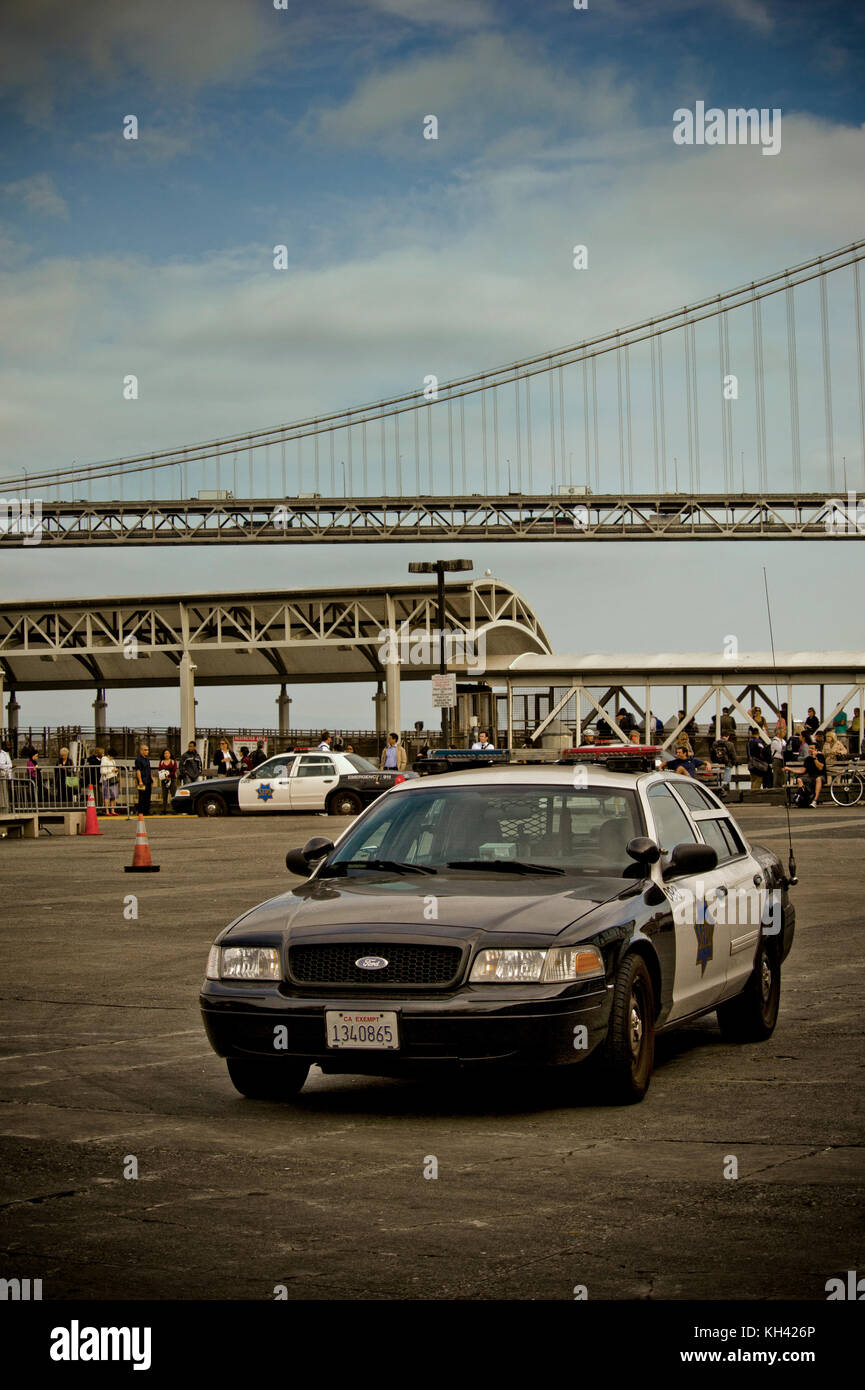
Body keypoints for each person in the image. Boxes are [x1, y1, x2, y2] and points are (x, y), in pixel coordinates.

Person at [798, 741, 826, 808]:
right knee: (799, 779)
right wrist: (789, 769)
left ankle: (814, 801)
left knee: (818, 779)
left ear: (816, 750)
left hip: (821, 777)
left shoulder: (820, 756)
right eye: (809, 748)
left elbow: (820, 768)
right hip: (811, 777)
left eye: (812, 748)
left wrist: (814, 757)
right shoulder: (808, 759)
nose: (810, 750)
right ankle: (804, 798)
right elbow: (802, 771)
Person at [157, 748, 178, 814]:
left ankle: (174, 809)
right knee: (164, 795)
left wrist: (169, 776)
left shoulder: (173, 762)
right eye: (165, 753)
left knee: (173, 795)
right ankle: (164, 810)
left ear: (170, 754)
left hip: (172, 780)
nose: (166, 754)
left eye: (168, 753)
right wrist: (164, 777)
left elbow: (174, 770)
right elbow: (159, 770)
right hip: (164, 780)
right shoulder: (161, 762)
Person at [134, 743, 153, 816]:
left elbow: (149, 769)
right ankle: (141, 811)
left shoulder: (147, 759)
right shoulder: (138, 760)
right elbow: (138, 770)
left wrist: (151, 778)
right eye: (145, 750)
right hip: (142, 780)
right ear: (141, 751)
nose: (147, 751)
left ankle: (146, 810)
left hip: (148, 779)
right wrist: (140, 781)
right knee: (142, 796)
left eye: (147, 750)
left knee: (148, 796)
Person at [101, 748, 119, 815]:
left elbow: (114, 769)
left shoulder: (113, 761)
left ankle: (112, 810)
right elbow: (102, 771)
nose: (113, 758)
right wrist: (111, 771)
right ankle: (107, 811)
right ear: (109, 755)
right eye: (113, 756)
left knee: (113, 796)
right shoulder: (104, 760)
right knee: (107, 796)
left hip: (113, 779)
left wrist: (116, 771)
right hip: (107, 779)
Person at [0, 740, 12, 814]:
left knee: (6, 793)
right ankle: (3, 809)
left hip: (7, 776)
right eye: (8, 745)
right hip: (3, 776)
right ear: (4, 746)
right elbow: (1, 765)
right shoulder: (2, 754)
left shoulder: (6, 754)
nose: (10, 747)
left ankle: (7, 808)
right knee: (3, 794)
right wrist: (10, 766)